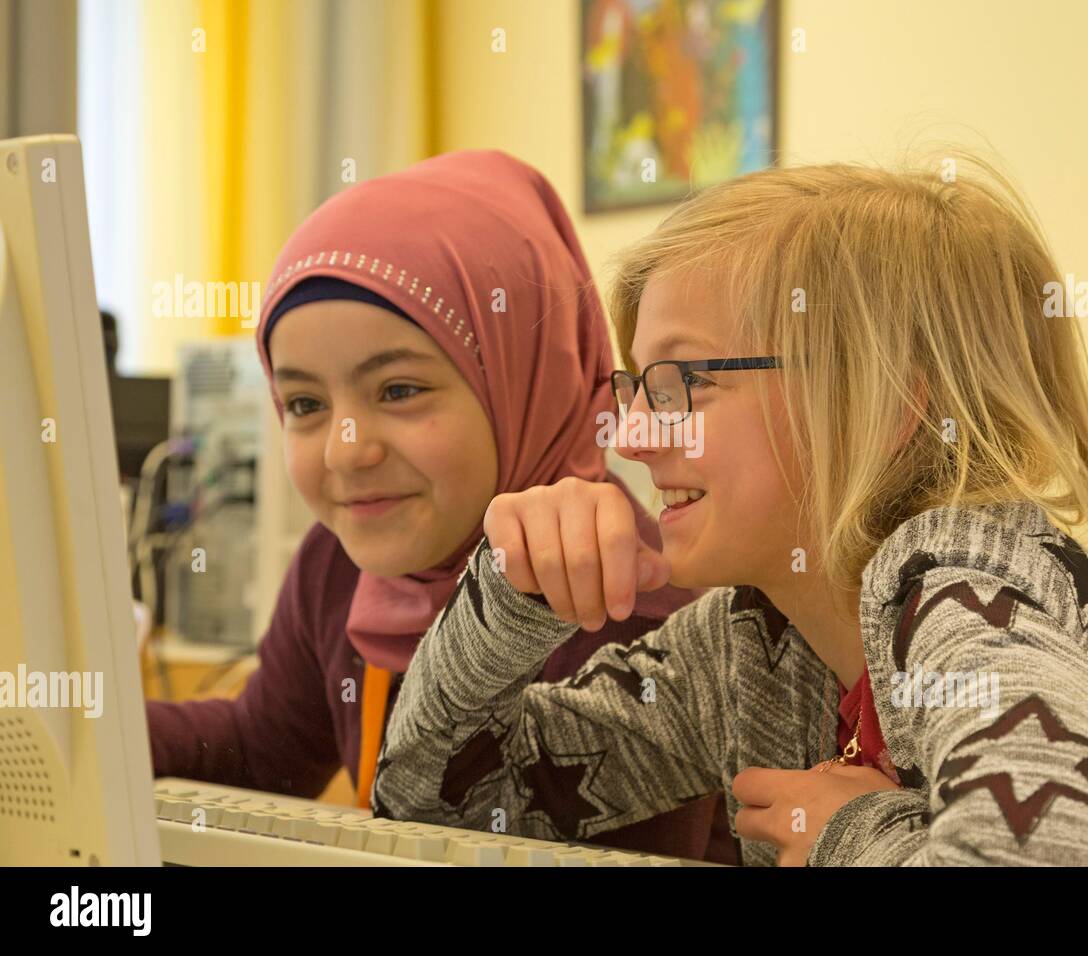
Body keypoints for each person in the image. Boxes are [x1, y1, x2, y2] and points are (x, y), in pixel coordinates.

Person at [373, 155, 1088, 866]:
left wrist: (861, 835)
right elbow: (434, 804)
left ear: (887, 403)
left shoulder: (964, 591)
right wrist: (511, 592)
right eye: (634, 386)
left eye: (681, 382)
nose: (632, 438)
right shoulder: (745, 643)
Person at [147, 149, 735, 863]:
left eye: (397, 391)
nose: (345, 450)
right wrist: (60, 725)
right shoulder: (340, 561)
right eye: (304, 404)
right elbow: (257, 749)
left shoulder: (621, 602)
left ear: (528, 379)